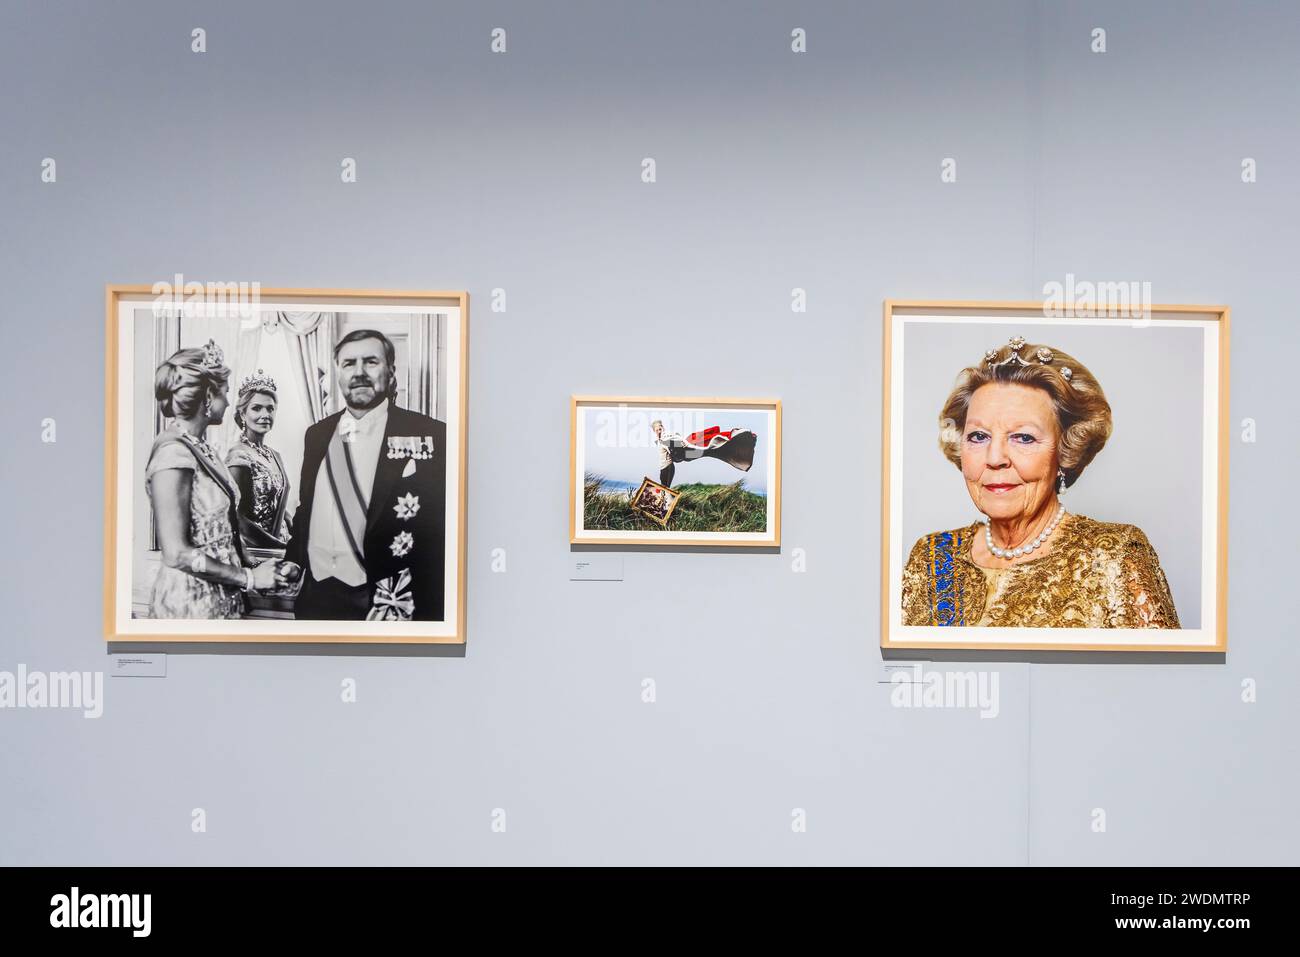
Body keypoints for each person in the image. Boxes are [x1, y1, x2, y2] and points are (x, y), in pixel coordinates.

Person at [901, 335, 1180, 628]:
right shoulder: (932, 557)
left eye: (1023, 437)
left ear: (1066, 449)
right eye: (979, 436)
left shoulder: (1113, 556)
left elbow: (1165, 674)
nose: (995, 458)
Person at [284, 329, 447, 621]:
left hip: (387, 602)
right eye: (349, 364)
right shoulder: (317, 435)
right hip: (316, 599)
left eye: (371, 362)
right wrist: (294, 560)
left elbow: (440, 530)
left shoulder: (432, 434)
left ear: (391, 371)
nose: (359, 372)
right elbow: (306, 508)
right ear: (338, 373)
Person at [145, 342, 288, 619]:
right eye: (225, 393)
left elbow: (223, 529)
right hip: (189, 604)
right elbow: (175, 552)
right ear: (209, 397)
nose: (228, 402)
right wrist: (248, 577)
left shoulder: (202, 448)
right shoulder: (173, 454)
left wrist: (260, 564)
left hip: (221, 597)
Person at [225, 370, 291, 548]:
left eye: (270, 408)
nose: (265, 414)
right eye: (256, 408)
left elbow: (280, 509)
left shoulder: (274, 455)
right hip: (256, 551)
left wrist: (299, 538)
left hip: (283, 548)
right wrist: (280, 546)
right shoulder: (238, 456)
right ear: (242, 414)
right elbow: (237, 519)